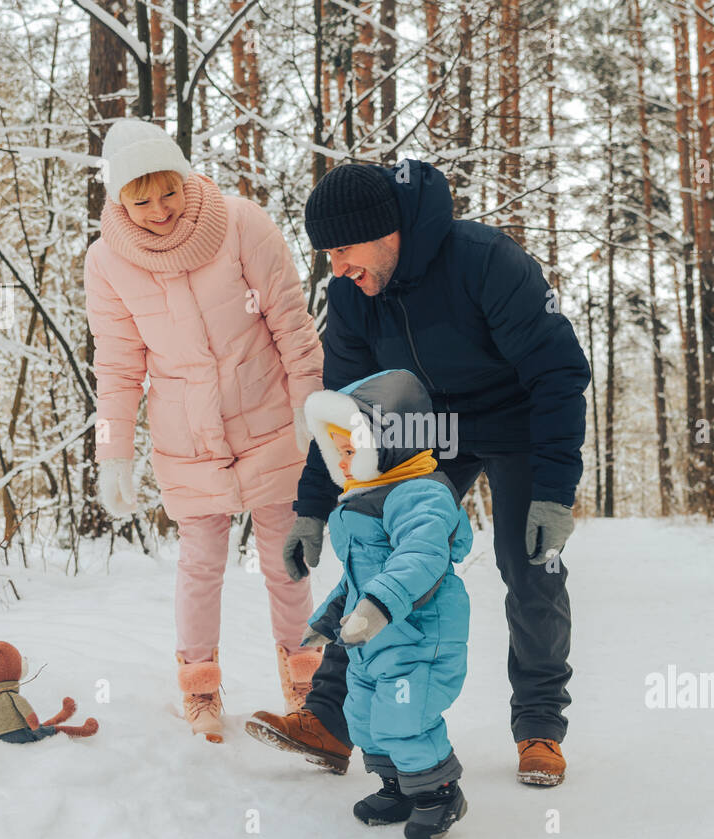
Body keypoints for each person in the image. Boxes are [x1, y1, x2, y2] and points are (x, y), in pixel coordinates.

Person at [245, 159, 589, 785]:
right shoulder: (352, 294)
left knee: (530, 565)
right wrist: (314, 507)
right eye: (327, 255)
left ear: (386, 230)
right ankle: (330, 719)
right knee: (375, 546)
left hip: (517, 421)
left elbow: (559, 372)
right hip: (425, 430)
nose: (337, 266)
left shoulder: (486, 261)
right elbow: (343, 405)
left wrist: (553, 492)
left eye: (344, 249)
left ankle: (539, 725)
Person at [84, 118, 325, 742]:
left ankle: (306, 690)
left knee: (286, 559)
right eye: (140, 200)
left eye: (167, 191)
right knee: (200, 566)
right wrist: (113, 454)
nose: (158, 210)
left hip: (270, 421)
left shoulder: (240, 222)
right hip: (186, 438)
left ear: (183, 177)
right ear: (118, 200)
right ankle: (201, 693)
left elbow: (291, 323)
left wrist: (308, 407)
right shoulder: (108, 261)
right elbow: (116, 362)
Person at [289, 368, 473, 839]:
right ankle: (397, 787)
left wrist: (376, 607)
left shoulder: (420, 493)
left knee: (404, 715)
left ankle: (438, 792)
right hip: (370, 639)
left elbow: (421, 557)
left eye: (354, 449)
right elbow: (355, 579)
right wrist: (330, 620)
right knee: (364, 713)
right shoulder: (358, 501)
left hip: (418, 633)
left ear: (390, 442)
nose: (346, 462)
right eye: (339, 451)